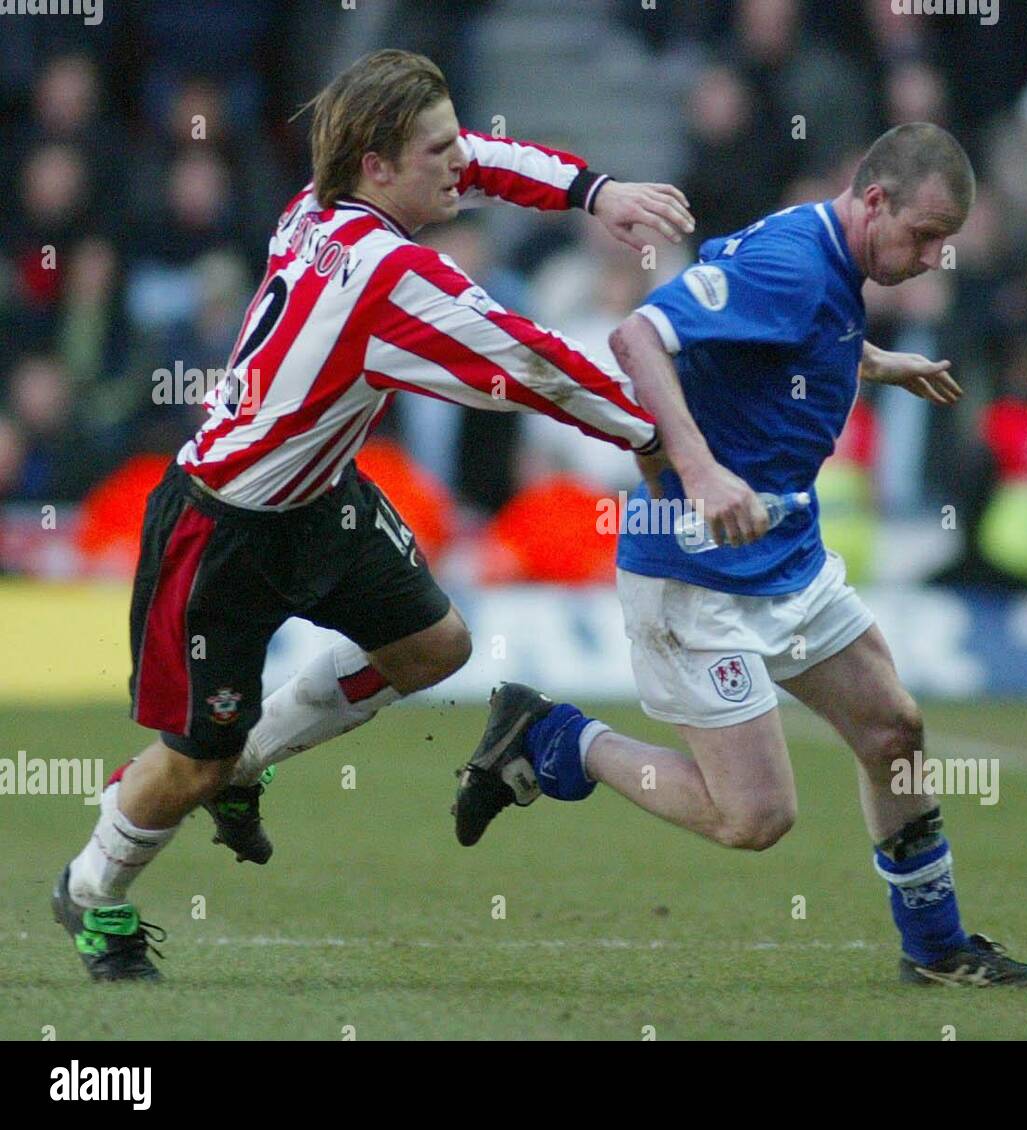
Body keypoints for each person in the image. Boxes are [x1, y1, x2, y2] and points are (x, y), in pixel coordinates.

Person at [52, 49, 692, 982]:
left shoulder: (320, 204)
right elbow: (532, 359)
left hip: (319, 501)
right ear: (379, 166)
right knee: (187, 764)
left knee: (433, 646)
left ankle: (246, 761)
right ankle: (91, 892)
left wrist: (594, 192)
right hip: (218, 530)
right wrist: (651, 433)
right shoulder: (386, 276)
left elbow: (482, 159)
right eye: (436, 152)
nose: (458, 166)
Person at [454, 122, 1027, 988]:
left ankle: (938, 949)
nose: (933, 257)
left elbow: (772, 340)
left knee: (895, 728)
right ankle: (557, 738)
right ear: (875, 199)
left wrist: (872, 362)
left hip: (785, 554)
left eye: (946, 242)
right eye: (925, 234)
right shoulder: (793, 259)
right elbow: (638, 340)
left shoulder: (827, 261)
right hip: (693, 571)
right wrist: (699, 472)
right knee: (755, 818)